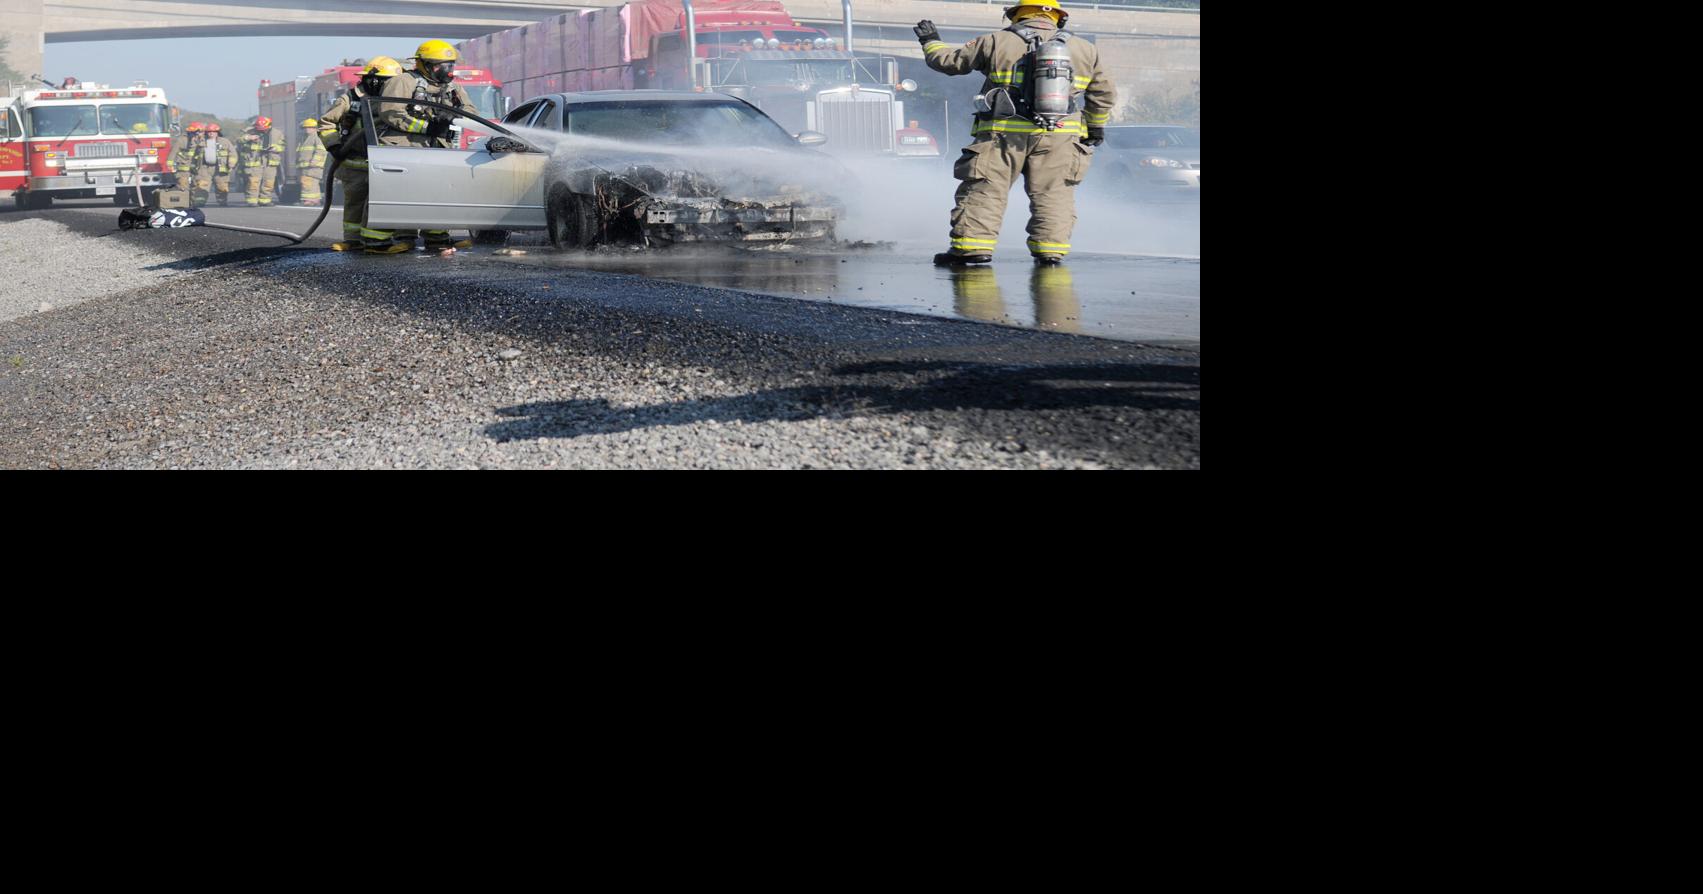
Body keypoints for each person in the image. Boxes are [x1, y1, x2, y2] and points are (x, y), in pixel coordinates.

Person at [915, 0, 1115, 266]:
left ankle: (972, 248)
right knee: (1054, 194)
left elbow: (950, 62)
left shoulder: (996, 41)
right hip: (1059, 135)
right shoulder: (1085, 49)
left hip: (1002, 134)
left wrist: (930, 41)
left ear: (1016, 15)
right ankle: (1050, 250)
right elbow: (1104, 93)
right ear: (1058, 18)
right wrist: (1095, 125)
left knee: (985, 189)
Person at [375, 39, 476, 251]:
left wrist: (453, 116)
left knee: (439, 194)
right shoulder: (403, 82)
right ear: (424, 64)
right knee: (404, 194)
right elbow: (391, 112)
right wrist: (428, 127)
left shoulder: (453, 87)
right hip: (405, 148)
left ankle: (437, 238)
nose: (447, 70)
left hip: (438, 149)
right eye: (441, 66)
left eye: (450, 65)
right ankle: (398, 238)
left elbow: (470, 111)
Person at [319, 56, 405, 252]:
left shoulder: (396, 100)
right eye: (390, 82)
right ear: (374, 80)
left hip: (386, 163)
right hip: (355, 162)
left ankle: (385, 240)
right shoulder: (350, 99)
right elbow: (326, 123)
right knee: (355, 202)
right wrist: (334, 146)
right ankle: (352, 240)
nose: (394, 86)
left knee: (384, 202)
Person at [240, 115, 284, 207]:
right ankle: (252, 201)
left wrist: (275, 148)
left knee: (268, 182)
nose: (261, 130)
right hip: (255, 161)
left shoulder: (277, 133)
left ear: (269, 125)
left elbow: (282, 146)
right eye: (259, 129)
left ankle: (265, 200)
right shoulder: (250, 132)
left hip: (270, 161)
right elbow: (239, 140)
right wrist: (249, 138)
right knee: (253, 182)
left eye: (264, 128)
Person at [193, 123, 237, 207]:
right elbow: (193, 152)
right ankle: (200, 202)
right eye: (209, 132)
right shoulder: (200, 141)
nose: (211, 133)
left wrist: (231, 163)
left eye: (213, 132)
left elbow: (233, 153)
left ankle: (222, 201)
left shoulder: (225, 141)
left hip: (220, 168)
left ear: (217, 132)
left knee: (221, 186)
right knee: (202, 185)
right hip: (204, 168)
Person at [296, 119, 328, 206]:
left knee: (307, 182)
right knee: (313, 183)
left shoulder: (317, 136)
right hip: (307, 165)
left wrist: (314, 162)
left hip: (313, 166)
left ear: (315, 128)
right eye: (305, 127)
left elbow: (321, 151)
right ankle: (315, 200)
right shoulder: (306, 137)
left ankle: (309, 200)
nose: (307, 129)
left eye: (309, 127)